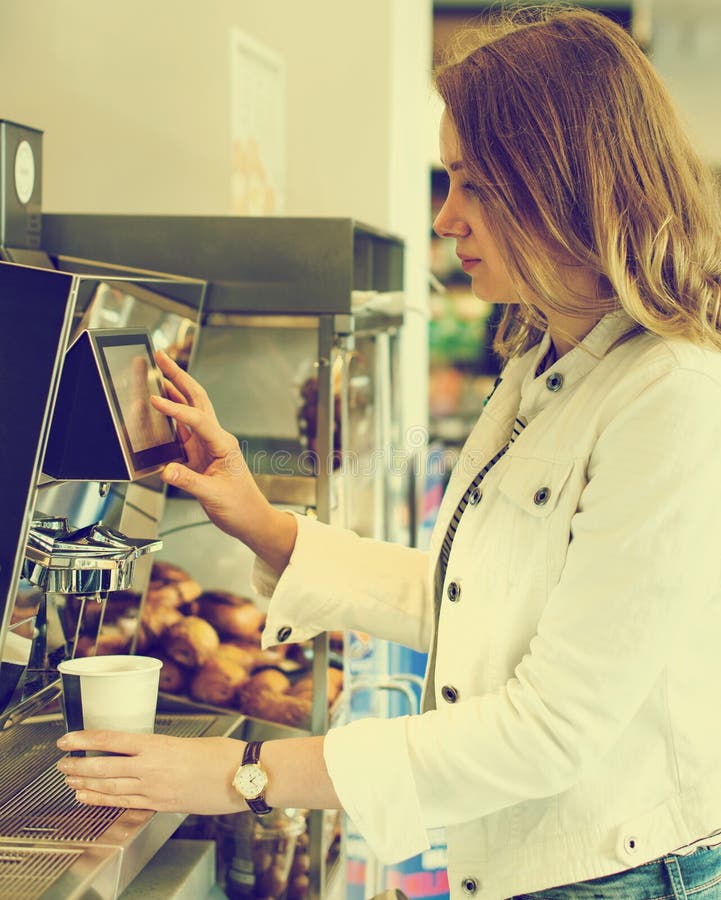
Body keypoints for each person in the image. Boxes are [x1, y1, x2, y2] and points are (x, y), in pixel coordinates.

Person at [55, 6, 721, 898]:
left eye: (471, 184)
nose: (446, 219)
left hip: (623, 876)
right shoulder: (546, 361)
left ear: (564, 184)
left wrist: (235, 774)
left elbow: (549, 729)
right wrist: (262, 524)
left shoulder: (670, 395)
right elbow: (482, 601)